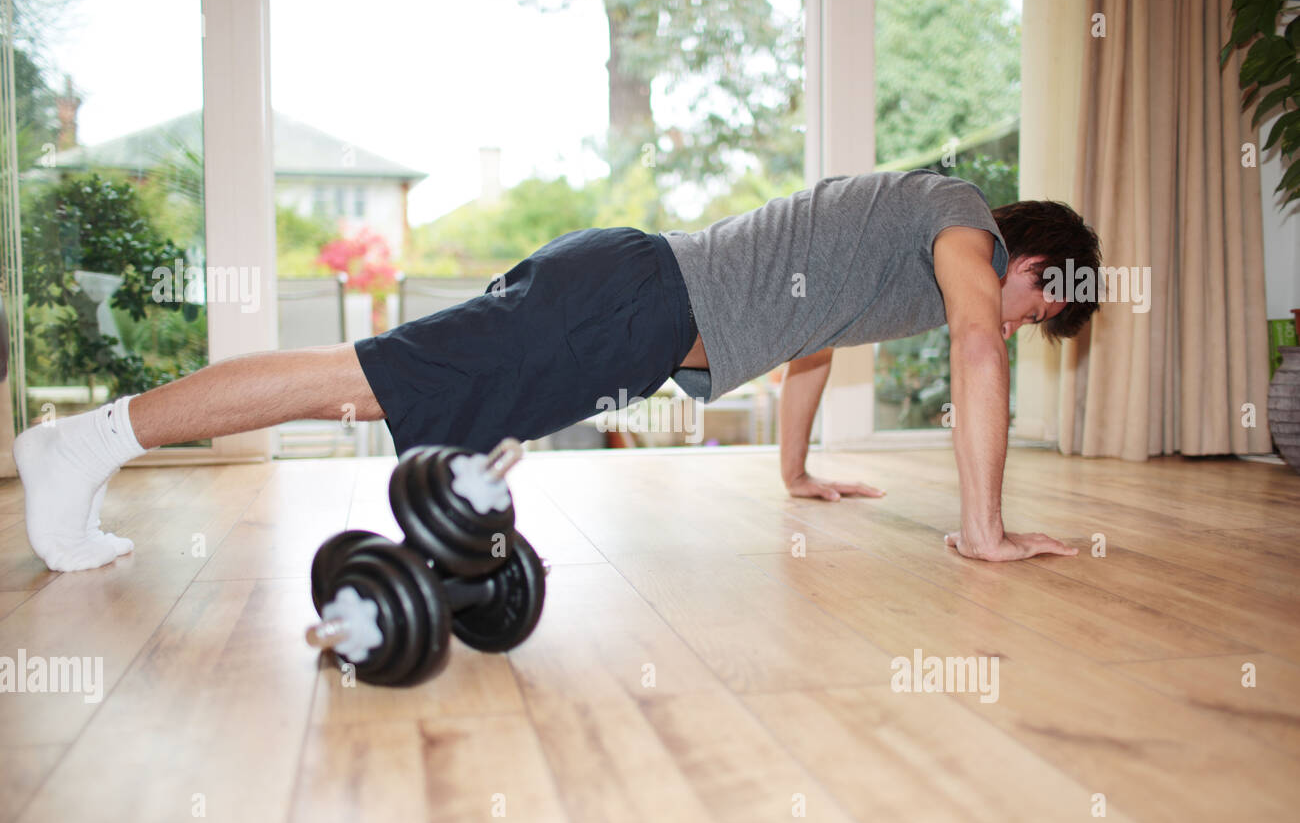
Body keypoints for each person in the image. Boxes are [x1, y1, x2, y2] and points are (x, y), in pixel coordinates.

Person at [12, 169, 1100, 572]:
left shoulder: (905, 264)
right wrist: (986, 528)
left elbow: (806, 341)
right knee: (348, 378)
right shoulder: (958, 220)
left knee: (378, 399)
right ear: (1028, 256)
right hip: (627, 304)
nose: (1008, 330)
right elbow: (971, 346)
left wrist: (795, 473)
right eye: (1031, 309)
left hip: (623, 319)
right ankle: (83, 441)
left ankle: (92, 445)